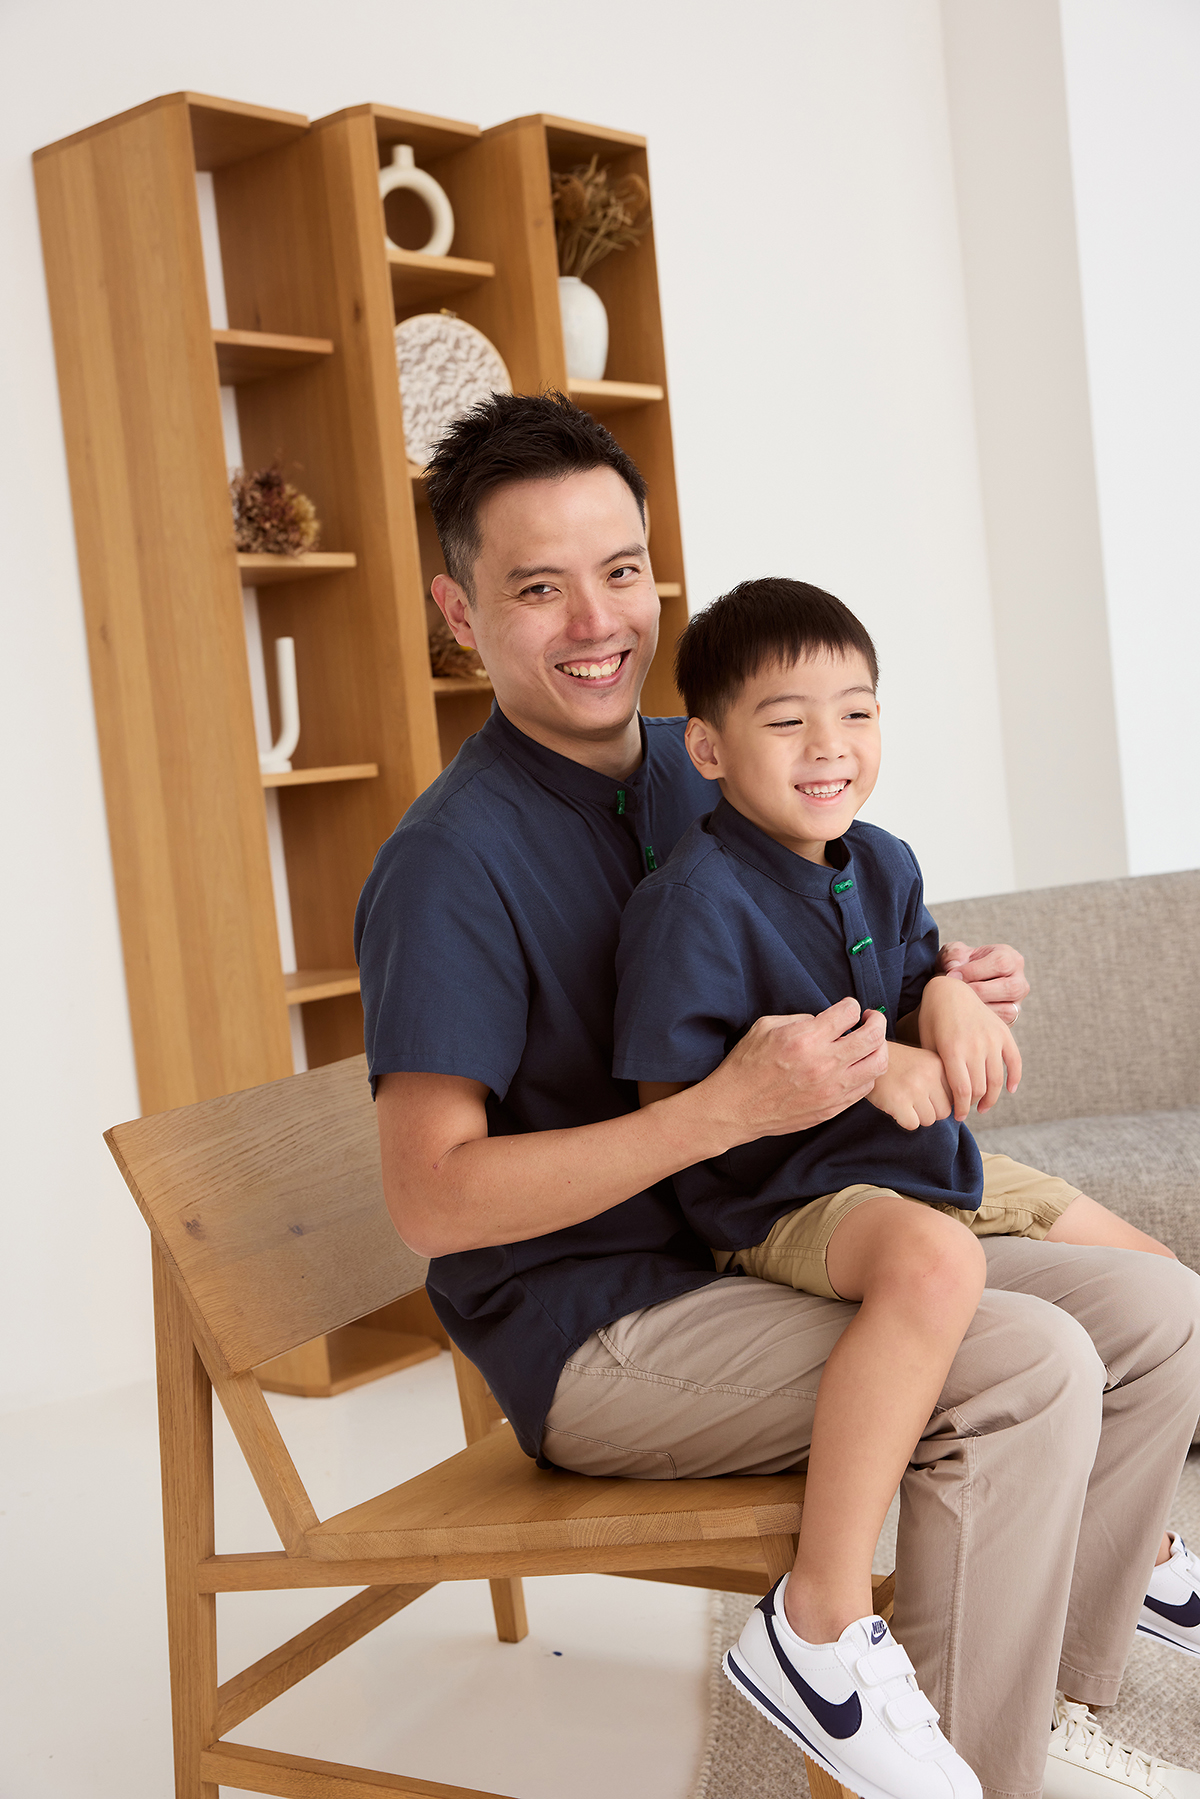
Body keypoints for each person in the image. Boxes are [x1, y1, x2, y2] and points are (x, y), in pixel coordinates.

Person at [354, 392, 1200, 1799]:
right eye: (535, 587)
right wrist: (724, 1108)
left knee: (1161, 1309)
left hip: (767, 1226)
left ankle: (1041, 1700)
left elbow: (855, 925)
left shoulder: (712, 753)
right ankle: (923, 1729)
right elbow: (428, 1199)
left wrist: (940, 989)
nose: (593, 621)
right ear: (458, 611)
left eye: (618, 571)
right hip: (602, 1316)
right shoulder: (450, 863)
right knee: (1026, 1364)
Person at [613, 576, 1199, 1797]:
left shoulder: (879, 859)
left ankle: (1095, 1604)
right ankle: (814, 1625)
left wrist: (940, 990)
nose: (831, 746)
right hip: (782, 1197)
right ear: (710, 748)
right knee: (942, 1266)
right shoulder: (692, 900)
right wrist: (876, 1058)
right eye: (789, 720)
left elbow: (922, 955)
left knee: (1168, 1298)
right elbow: (686, 1096)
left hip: (922, 1176)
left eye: (858, 711)